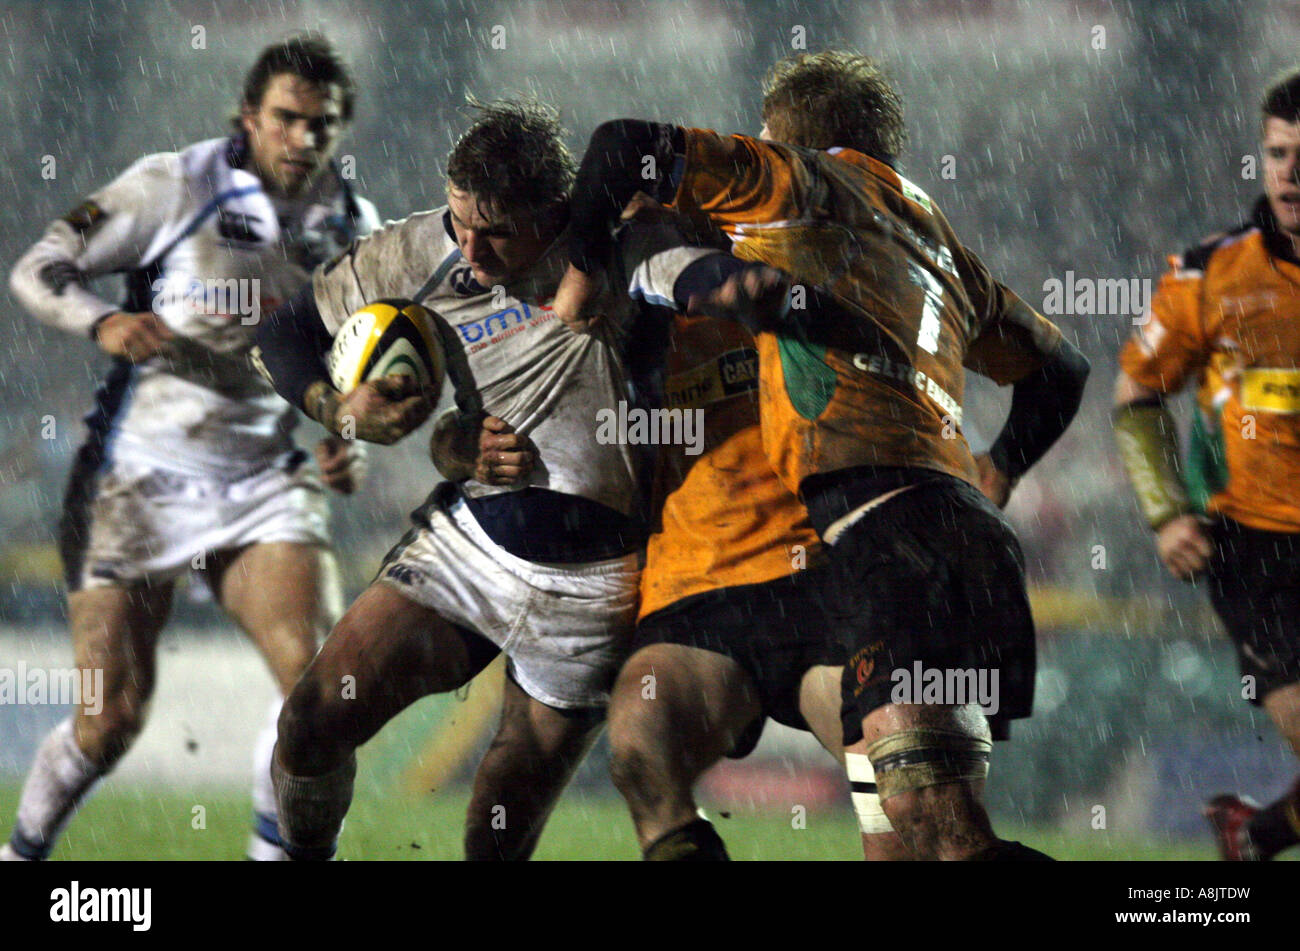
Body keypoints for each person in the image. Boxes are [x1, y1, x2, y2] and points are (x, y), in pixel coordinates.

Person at [557, 50, 1089, 860]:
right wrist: (1000, 469)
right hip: (955, 534)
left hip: (897, 543)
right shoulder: (933, 236)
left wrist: (584, 270)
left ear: (782, 138)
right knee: (923, 841)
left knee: (943, 841)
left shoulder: (796, 184)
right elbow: (1061, 370)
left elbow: (620, 141)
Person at [253, 99, 715, 860]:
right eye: (461, 218)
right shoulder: (414, 251)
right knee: (309, 723)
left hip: (600, 589)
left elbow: (645, 150)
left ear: (557, 211)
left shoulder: (629, 250)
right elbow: (281, 334)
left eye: (496, 228)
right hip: (470, 549)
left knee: (493, 838)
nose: (471, 246)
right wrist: (339, 409)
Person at [1, 34, 377, 862]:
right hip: (135, 476)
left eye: (323, 124)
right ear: (249, 117)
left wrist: (348, 442)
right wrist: (102, 320)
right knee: (109, 723)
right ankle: (20, 856)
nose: (304, 139)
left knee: (315, 696)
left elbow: (357, 374)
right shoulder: (174, 184)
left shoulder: (352, 227)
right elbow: (40, 267)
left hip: (262, 477)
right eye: (287, 119)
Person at [1114, 69, 1300, 861]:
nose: (1292, 174)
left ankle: (1253, 837)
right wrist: (1166, 510)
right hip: (1258, 552)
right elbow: (1134, 394)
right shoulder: (1209, 273)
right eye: (1279, 153)